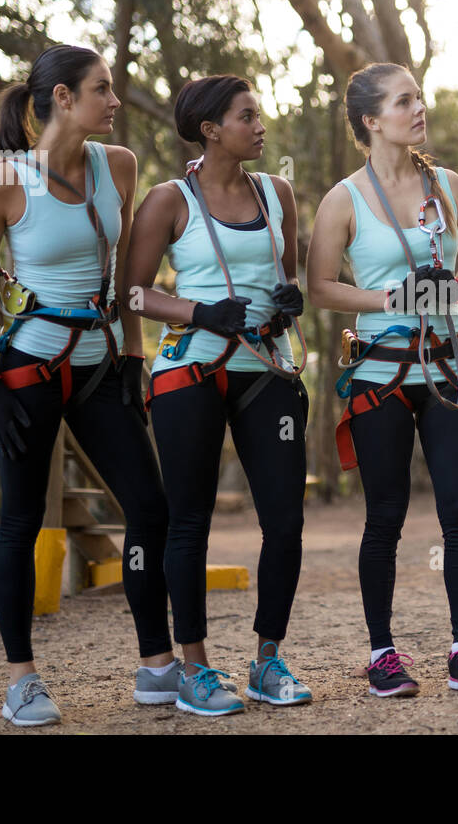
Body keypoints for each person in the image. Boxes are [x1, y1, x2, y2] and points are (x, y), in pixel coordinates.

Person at [0, 44, 175, 726]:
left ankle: (156, 666)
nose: (115, 102)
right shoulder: (2, 181)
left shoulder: (120, 167)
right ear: (61, 98)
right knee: (21, 521)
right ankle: (22, 680)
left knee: (151, 509)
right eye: (102, 90)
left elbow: (124, 277)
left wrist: (135, 357)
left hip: (103, 366)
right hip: (29, 369)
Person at [307, 62, 458, 697]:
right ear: (370, 119)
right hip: (381, 372)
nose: (419, 109)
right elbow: (320, 288)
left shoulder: (446, 185)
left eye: (418, 97)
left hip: (451, 365)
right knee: (384, 515)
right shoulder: (344, 199)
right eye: (404, 101)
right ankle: (383, 653)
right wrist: (394, 297)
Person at [125, 74, 311, 716]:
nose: (260, 126)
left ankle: (267, 659)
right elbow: (131, 293)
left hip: (269, 369)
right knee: (190, 521)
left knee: (285, 519)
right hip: (190, 372)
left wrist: (292, 299)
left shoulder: (277, 193)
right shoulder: (166, 200)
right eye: (247, 116)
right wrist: (200, 313)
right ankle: (195, 669)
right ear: (210, 129)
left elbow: (289, 275)